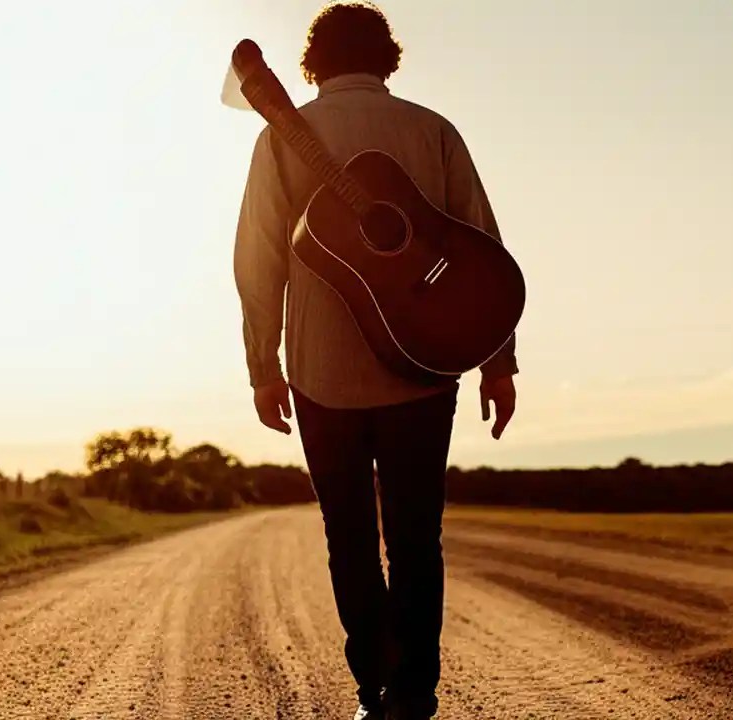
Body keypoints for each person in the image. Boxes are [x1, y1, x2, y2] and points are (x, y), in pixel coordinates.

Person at [232, 3, 518, 718]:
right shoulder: (432, 130)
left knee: (350, 540)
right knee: (418, 539)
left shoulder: (279, 139)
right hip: (428, 367)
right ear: (387, 58)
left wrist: (263, 367)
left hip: (320, 373)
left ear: (312, 65)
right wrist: (498, 360)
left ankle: (372, 691)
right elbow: (484, 249)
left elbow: (258, 260)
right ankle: (412, 696)